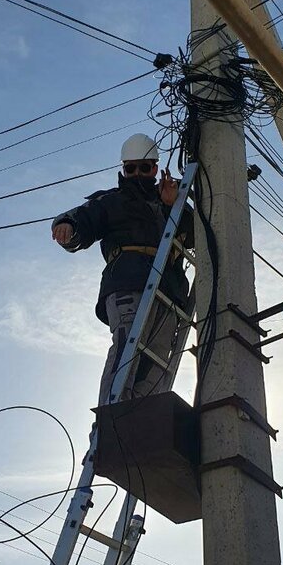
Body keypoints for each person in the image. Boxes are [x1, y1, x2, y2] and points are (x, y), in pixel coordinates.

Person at [51, 133, 194, 405]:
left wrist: (174, 205)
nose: (137, 173)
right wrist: (67, 226)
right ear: (123, 169)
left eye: (144, 167)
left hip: (170, 290)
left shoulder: (169, 200)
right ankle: (111, 415)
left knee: (160, 356)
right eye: (130, 168)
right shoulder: (112, 201)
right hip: (129, 280)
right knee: (128, 345)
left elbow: (196, 236)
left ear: (155, 168)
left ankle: (140, 420)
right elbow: (83, 217)